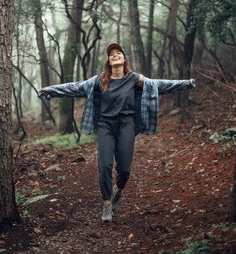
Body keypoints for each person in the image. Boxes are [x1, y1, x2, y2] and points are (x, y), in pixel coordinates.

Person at [38, 43, 195, 223]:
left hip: (126, 125)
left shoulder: (134, 79)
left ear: (124, 59)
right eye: (111, 54)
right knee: (104, 165)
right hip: (105, 126)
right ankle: (106, 203)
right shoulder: (99, 80)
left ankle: (118, 190)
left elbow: (160, 85)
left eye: (118, 53)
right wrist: (50, 91)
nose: (114, 55)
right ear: (108, 60)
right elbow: (75, 87)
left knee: (125, 169)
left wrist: (187, 84)